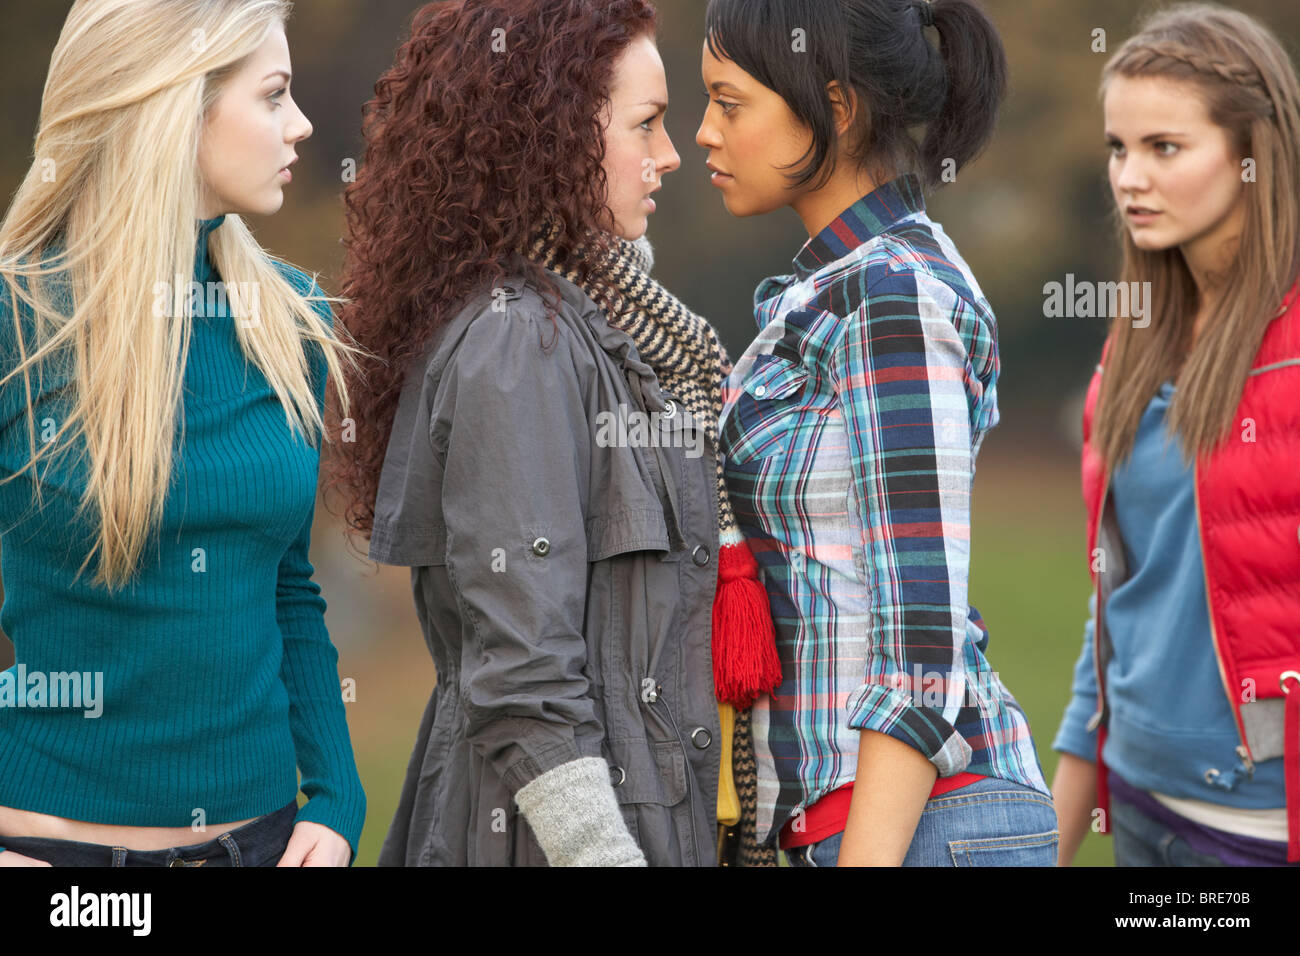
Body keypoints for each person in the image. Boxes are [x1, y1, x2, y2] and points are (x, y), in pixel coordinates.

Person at [332, 0, 780, 867]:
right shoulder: (518, 342)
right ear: (554, 137)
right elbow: (524, 674)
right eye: (645, 124)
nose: (672, 153)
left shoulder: (619, 332)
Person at [0, 0, 365, 868]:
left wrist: (339, 798)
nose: (303, 124)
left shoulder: (288, 317)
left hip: (265, 844)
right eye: (273, 95)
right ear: (173, 106)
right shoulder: (18, 321)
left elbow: (286, 584)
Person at [703, 0, 1057, 866]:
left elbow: (918, 647)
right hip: (877, 828)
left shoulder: (891, 296)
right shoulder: (835, 290)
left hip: (927, 828)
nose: (704, 132)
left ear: (836, 106)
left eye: (729, 102)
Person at [1052, 2, 1300, 867]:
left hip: (1255, 829)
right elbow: (1115, 599)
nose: (1129, 177)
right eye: (1120, 148)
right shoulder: (1133, 339)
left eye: (1164, 148)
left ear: (1250, 156)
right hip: (1136, 801)